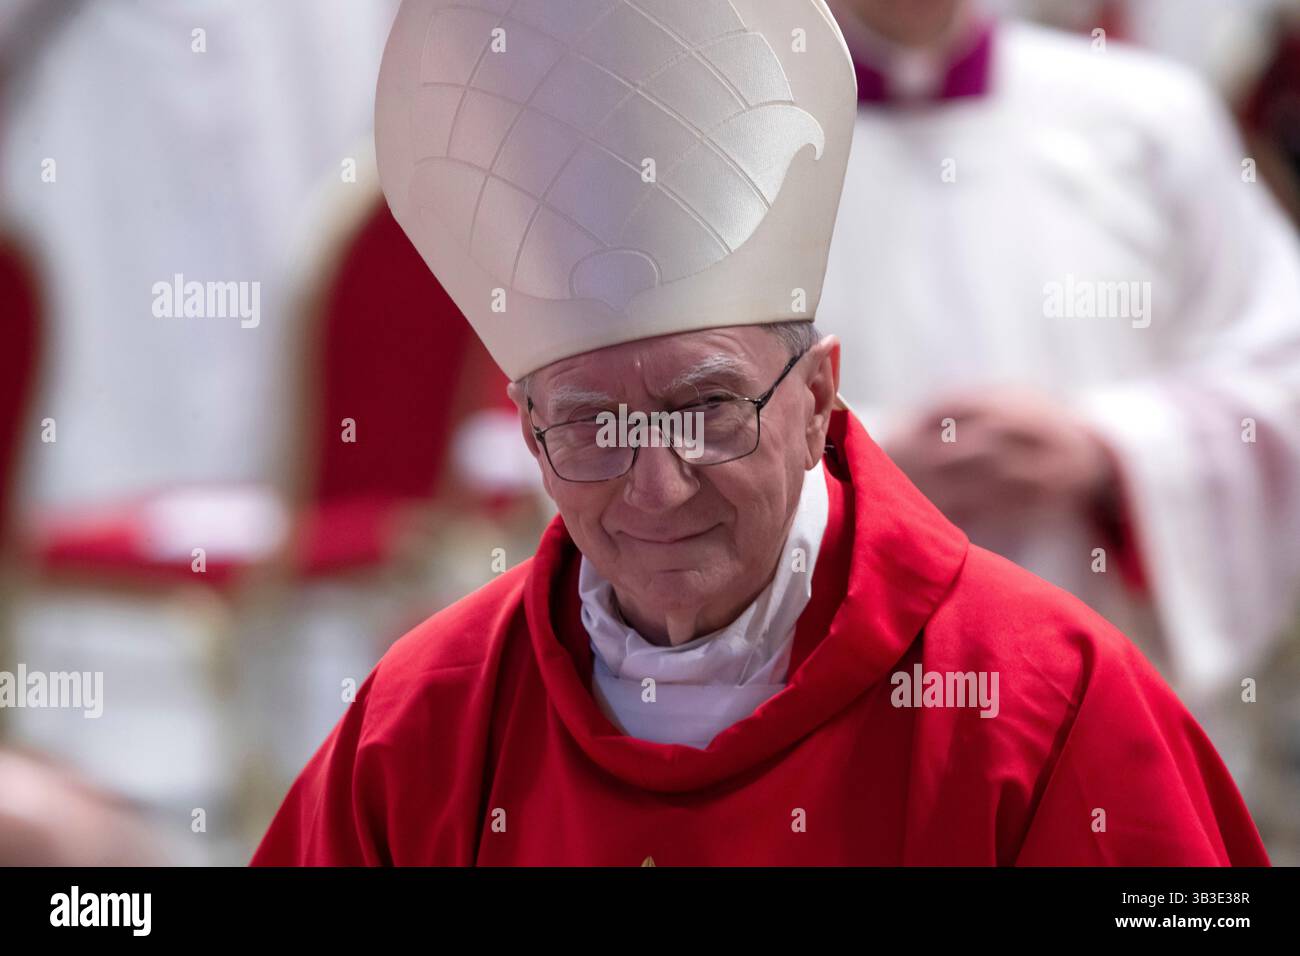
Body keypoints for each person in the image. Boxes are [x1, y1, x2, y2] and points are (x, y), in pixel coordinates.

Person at [251, 0, 1269, 866]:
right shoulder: (420, 727)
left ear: (822, 397)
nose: (654, 486)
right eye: (591, 424)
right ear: (527, 429)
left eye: (707, 411)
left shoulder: (1052, 706)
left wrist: (1113, 448)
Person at [818, 0, 1300, 700]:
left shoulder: (1151, 113)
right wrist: (856, 463)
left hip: (1104, 690)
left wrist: (1113, 449)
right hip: (839, 702)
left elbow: (1280, 365)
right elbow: (647, 402)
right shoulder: (727, 135)